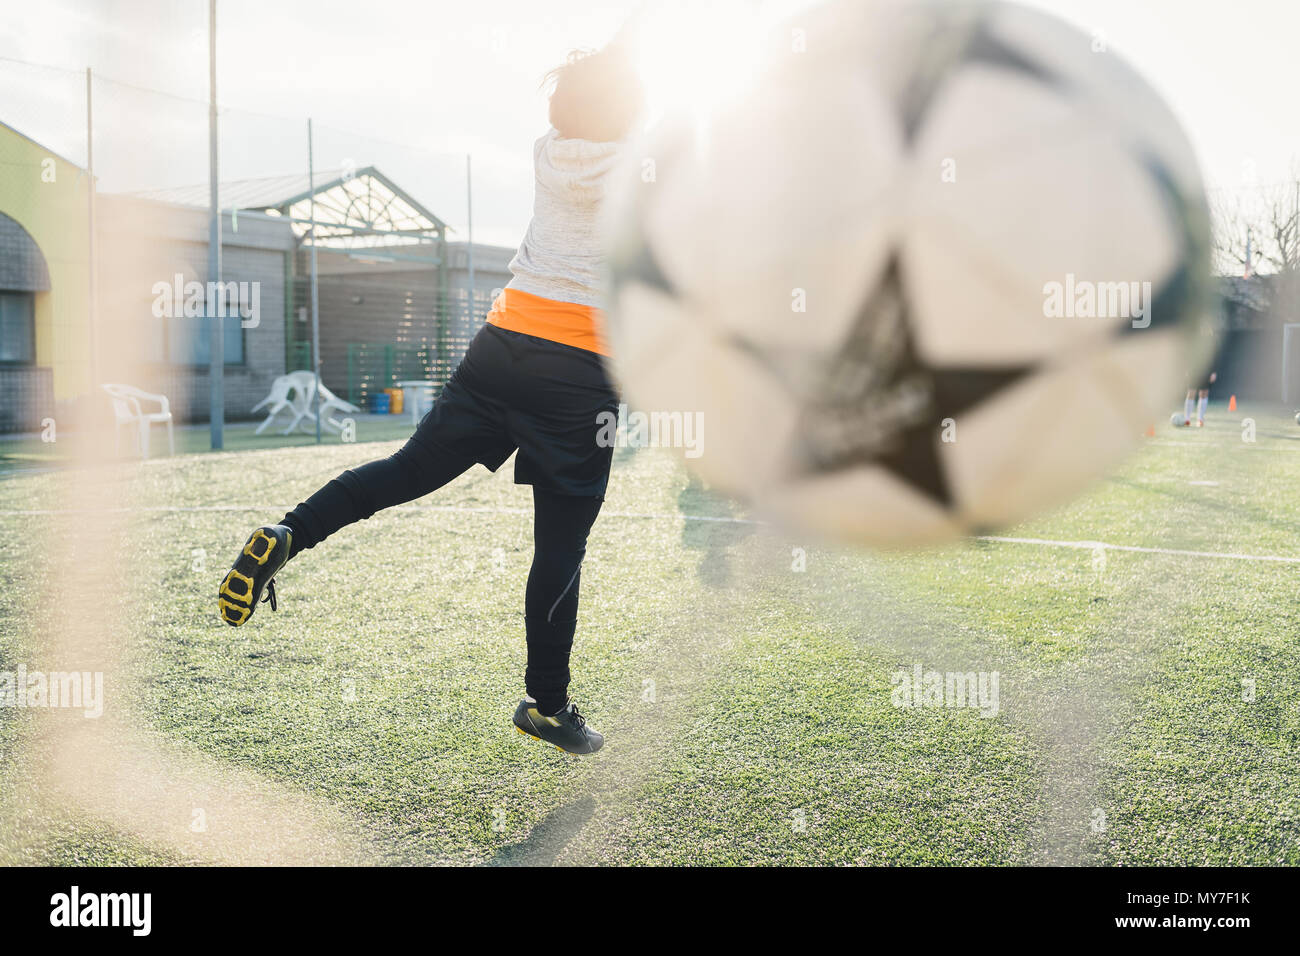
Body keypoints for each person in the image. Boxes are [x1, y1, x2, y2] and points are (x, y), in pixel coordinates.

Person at [216, 47, 643, 755]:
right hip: (579, 374)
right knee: (560, 546)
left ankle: (291, 533)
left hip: (499, 347)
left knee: (406, 469)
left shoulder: (549, 153)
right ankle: (546, 705)